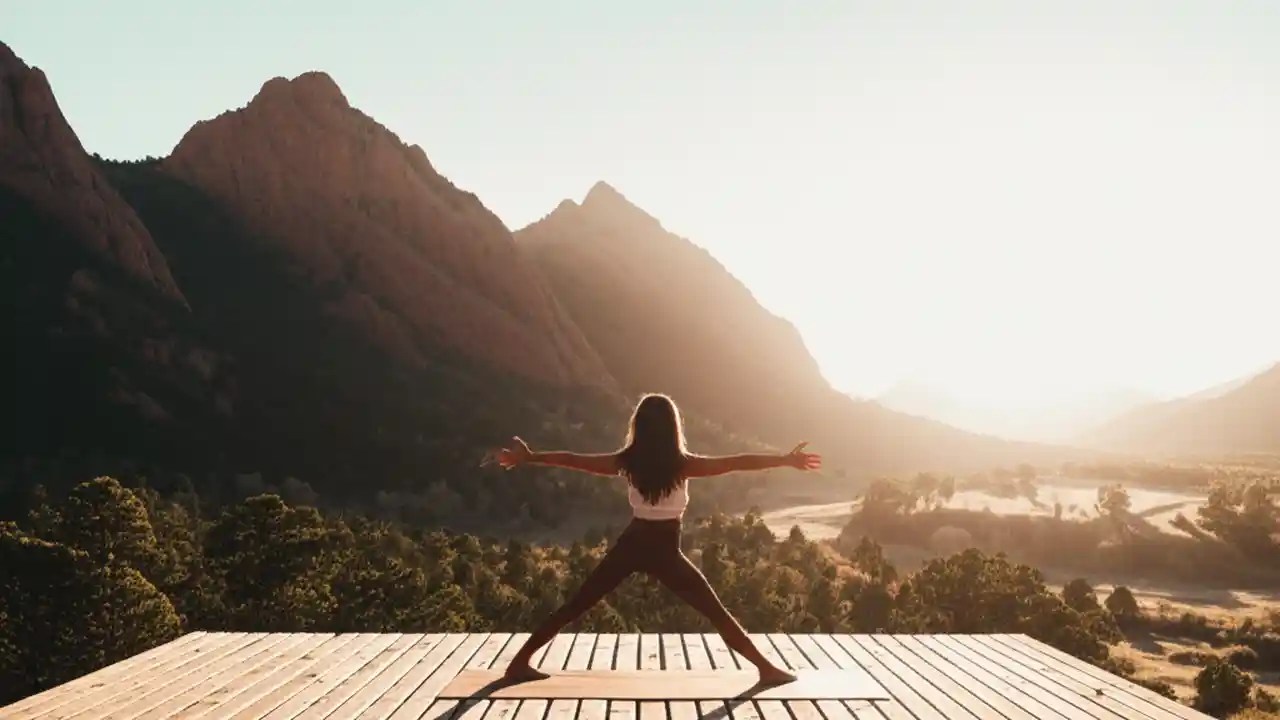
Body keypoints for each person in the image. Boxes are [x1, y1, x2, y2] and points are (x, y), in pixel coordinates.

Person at [494, 392, 822, 684]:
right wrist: (784, 460)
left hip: (633, 544)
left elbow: (572, 459)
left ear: (638, 427)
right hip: (665, 550)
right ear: (673, 428)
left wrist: (530, 457)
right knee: (716, 611)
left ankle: (520, 662)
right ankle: (765, 669)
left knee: (577, 604)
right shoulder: (684, 465)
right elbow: (736, 462)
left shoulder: (626, 463)